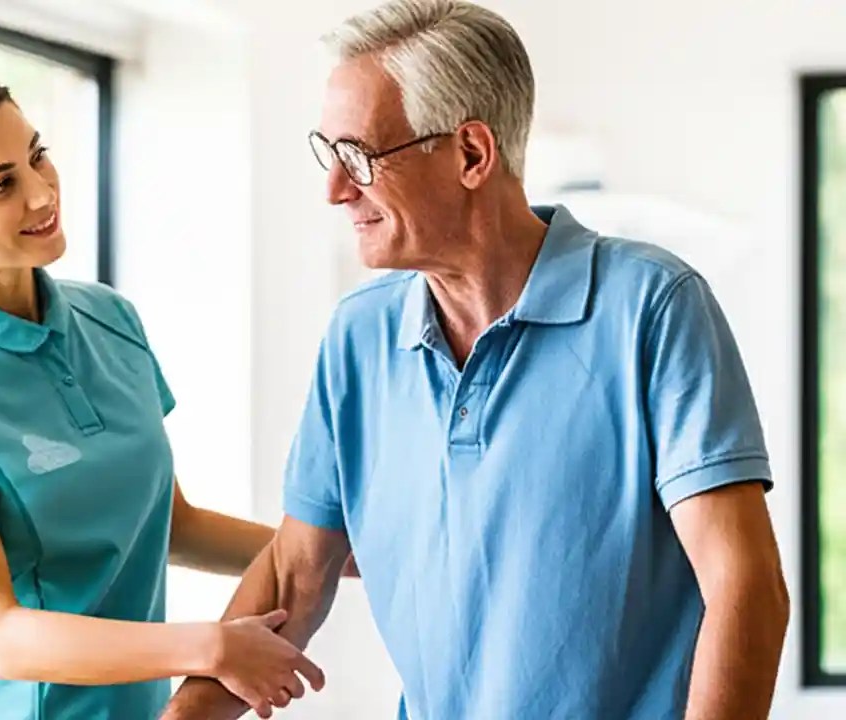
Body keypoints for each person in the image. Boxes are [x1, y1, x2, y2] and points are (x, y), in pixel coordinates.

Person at [162, 1, 789, 719]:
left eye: (360, 157)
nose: (335, 190)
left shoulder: (651, 305)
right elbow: (294, 577)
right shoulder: (357, 339)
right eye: (329, 154)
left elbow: (746, 588)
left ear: (470, 154)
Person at [0, 65, 330, 720]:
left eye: (37, 156)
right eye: (1, 185)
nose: (41, 192)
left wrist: (337, 550)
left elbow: (172, 525)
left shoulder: (111, 320)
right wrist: (211, 648)